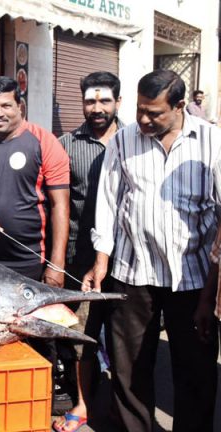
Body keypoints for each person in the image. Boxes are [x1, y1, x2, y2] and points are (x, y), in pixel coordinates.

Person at [85, 70, 221, 432]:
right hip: (133, 273)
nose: (144, 119)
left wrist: (212, 295)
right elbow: (108, 202)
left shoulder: (212, 143)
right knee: (129, 369)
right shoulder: (124, 140)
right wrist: (101, 260)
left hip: (191, 280)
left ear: (179, 106)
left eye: (154, 113)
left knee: (195, 371)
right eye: (140, 110)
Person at [54, 71, 125, 432]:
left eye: (104, 101)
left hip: (128, 262)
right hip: (80, 260)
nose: (97, 108)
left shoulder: (133, 141)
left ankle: (121, 406)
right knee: (81, 335)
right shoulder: (66, 144)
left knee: (123, 341)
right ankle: (82, 404)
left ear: (118, 102)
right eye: (90, 101)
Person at [0, 76, 70, 285]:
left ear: (20, 107)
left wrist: (57, 265)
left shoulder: (44, 141)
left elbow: (61, 206)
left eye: (6, 105)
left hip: (31, 261)